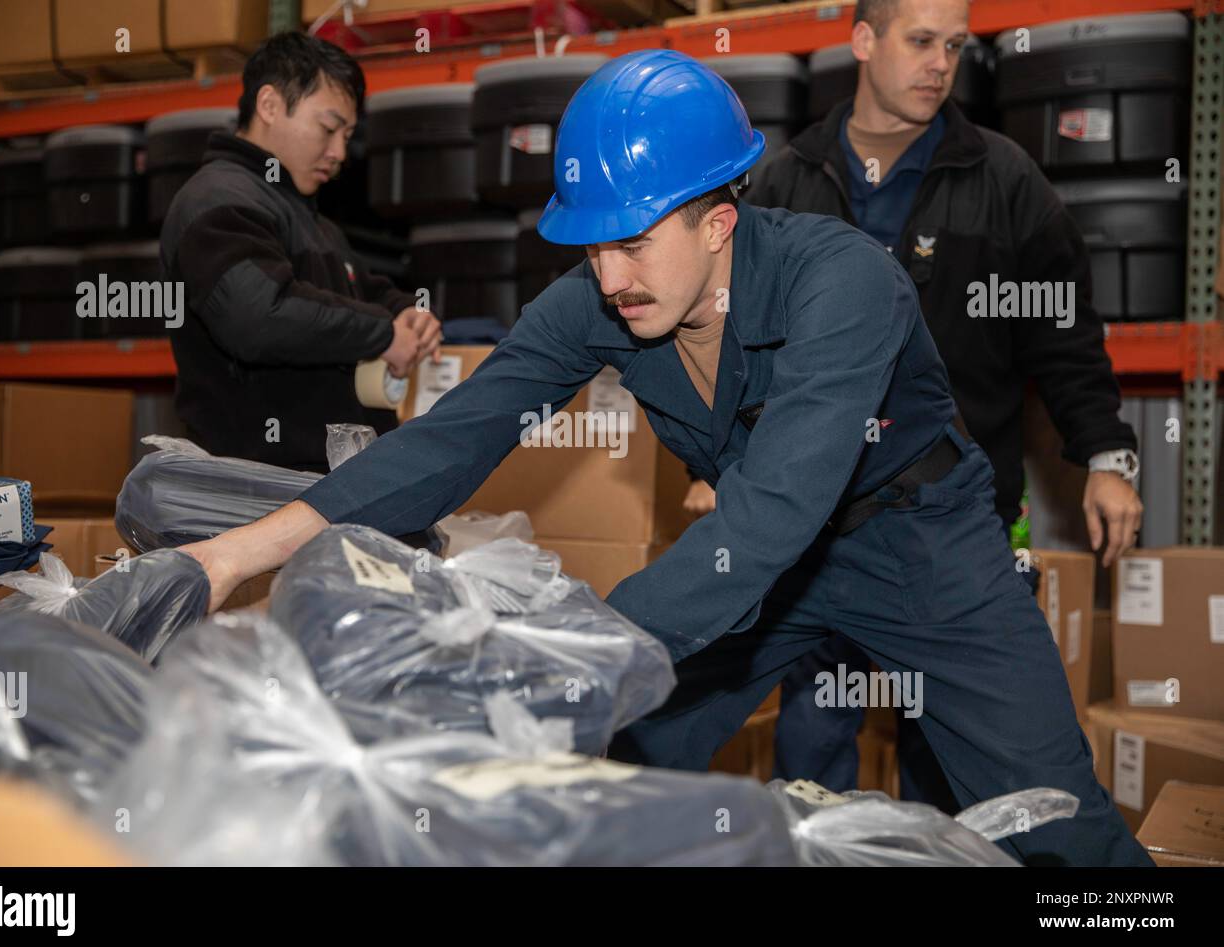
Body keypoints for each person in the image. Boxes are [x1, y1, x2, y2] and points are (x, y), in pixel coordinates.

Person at [181, 48, 1151, 865]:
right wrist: (225, 557)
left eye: (634, 244)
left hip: (922, 547)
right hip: (746, 565)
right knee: (601, 750)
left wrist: (578, 652)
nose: (608, 277)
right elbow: (451, 438)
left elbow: (781, 502)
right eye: (590, 246)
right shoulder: (605, 294)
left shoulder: (844, 283)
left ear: (717, 221)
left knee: (1056, 818)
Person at [743, 0, 1142, 811]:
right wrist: (715, 464)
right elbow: (739, 345)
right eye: (921, 41)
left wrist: (1106, 456)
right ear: (863, 40)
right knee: (814, 751)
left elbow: (1061, 331)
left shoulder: (1003, 180)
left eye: (955, 47)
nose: (941, 63)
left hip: (955, 520)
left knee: (957, 761)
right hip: (817, 525)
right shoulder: (785, 183)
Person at [161, 32, 441, 473]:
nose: (339, 153)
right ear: (269, 105)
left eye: (348, 135)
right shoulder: (217, 201)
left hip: (322, 487)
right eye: (329, 129)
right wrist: (385, 334)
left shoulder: (312, 221)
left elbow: (361, 291)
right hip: (257, 491)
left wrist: (408, 314)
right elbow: (258, 317)